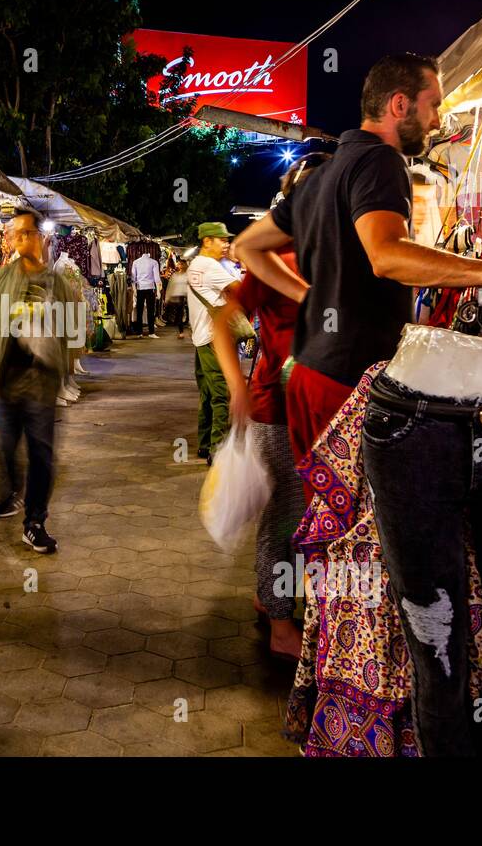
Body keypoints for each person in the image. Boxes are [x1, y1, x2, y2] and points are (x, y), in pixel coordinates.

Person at [234, 52, 482, 478]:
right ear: (399, 105)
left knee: (327, 518)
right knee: (369, 525)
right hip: (348, 380)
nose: (437, 121)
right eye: (433, 105)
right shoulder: (380, 161)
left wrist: (309, 296)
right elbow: (387, 255)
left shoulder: (324, 174)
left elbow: (247, 246)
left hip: (307, 374)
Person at [214, 158, 327, 661]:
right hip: (275, 405)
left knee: (312, 512)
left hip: (326, 406)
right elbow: (222, 320)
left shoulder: (339, 251)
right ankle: (283, 626)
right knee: (285, 515)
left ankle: (272, 597)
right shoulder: (273, 254)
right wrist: (236, 384)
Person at [0, 206, 72, 554]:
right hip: (6, 382)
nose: (18, 238)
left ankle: (35, 521)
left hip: (40, 384)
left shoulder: (57, 282)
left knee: (41, 455)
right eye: (13, 233)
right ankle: (11, 490)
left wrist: (58, 365)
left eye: (25, 232)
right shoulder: (1, 279)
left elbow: (70, 331)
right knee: (6, 448)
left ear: (39, 236)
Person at [187, 221, 242, 461]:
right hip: (214, 338)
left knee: (208, 393)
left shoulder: (194, 265)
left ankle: (203, 443)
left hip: (200, 338)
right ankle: (218, 449)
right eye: (221, 240)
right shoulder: (211, 266)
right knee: (221, 394)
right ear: (207, 241)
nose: (225, 244)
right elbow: (241, 290)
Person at [130, 250, 162, 338]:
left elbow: (133, 278)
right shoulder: (154, 262)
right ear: (149, 254)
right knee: (151, 310)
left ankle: (139, 332)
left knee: (139, 310)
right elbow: (157, 278)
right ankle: (151, 332)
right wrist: (158, 291)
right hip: (150, 288)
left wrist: (134, 290)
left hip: (140, 288)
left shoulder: (136, 262)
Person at [165, 258, 189, 339]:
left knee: (181, 314)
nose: (179, 265)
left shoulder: (188, 275)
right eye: (179, 264)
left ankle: (183, 331)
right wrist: (167, 297)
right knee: (179, 314)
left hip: (185, 297)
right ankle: (181, 332)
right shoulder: (175, 275)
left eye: (181, 264)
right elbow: (170, 286)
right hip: (176, 296)